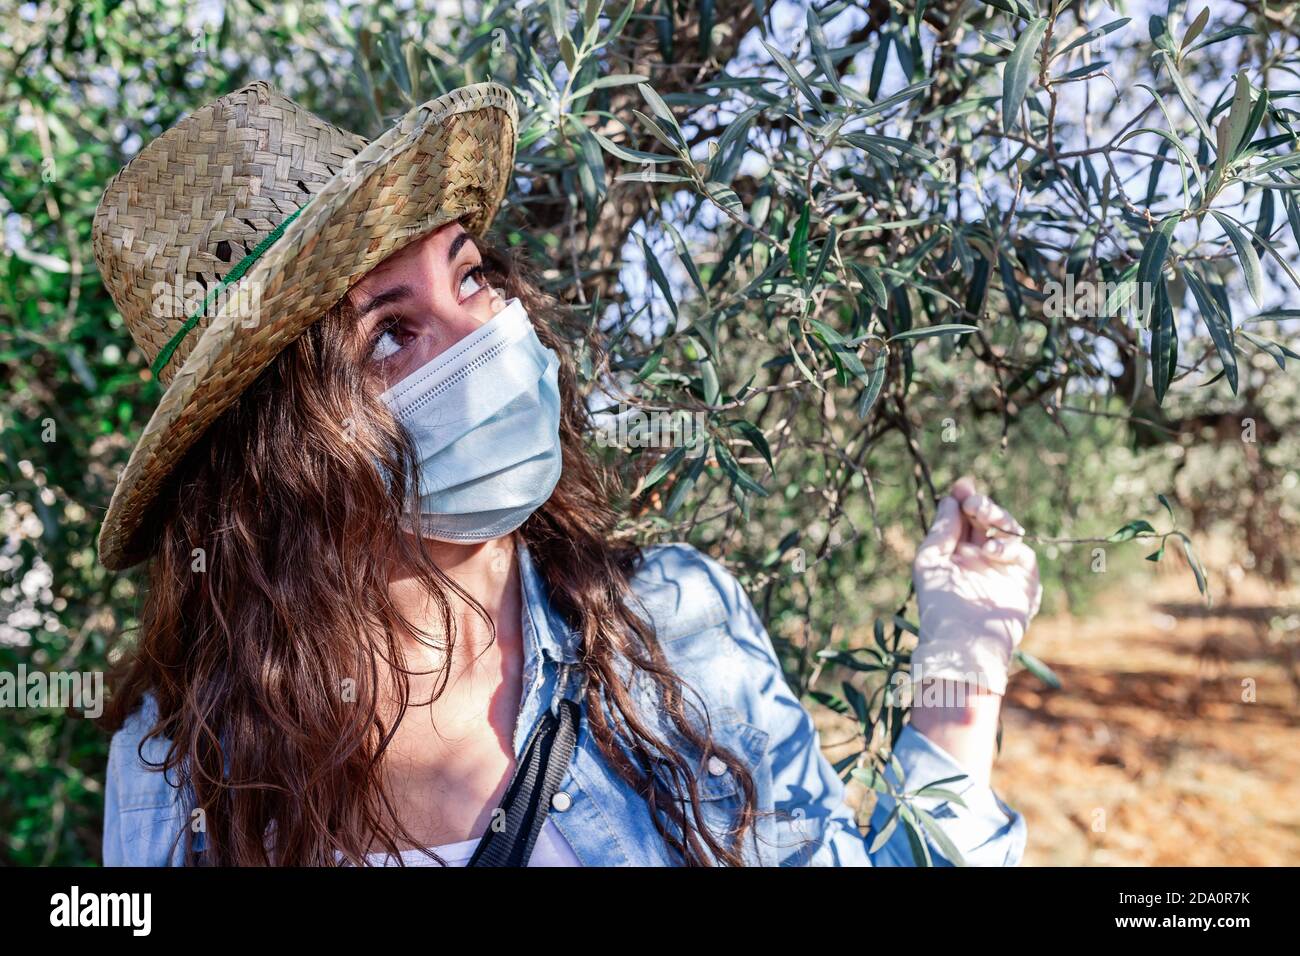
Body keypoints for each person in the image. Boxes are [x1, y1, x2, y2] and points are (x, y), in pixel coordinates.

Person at [95, 81, 1040, 867]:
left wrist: (963, 670)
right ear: (282, 451)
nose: (490, 335)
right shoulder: (181, 761)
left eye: (469, 278)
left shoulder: (672, 626)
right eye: (390, 332)